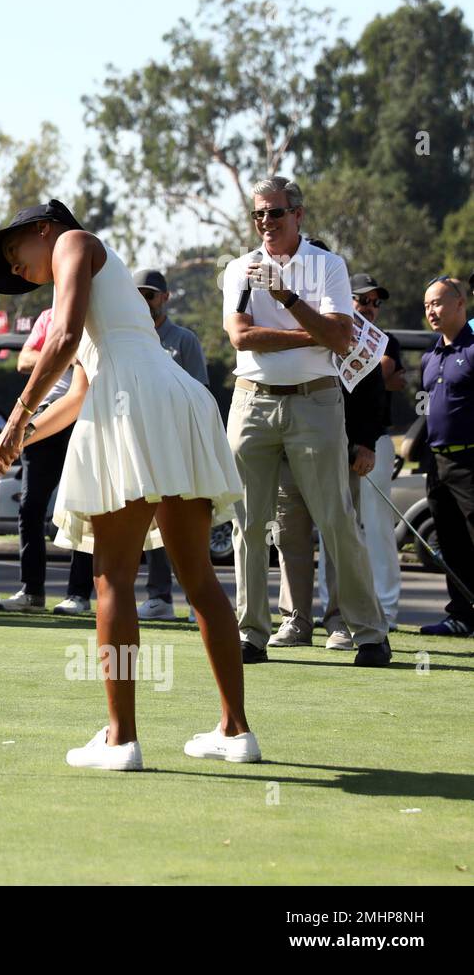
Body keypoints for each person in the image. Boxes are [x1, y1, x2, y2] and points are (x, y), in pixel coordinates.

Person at [0, 200, 255, 770]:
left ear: (44, 230)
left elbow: (63, 338)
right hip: (171, 400)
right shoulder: (95, 287)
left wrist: (11, 420)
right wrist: (17, 441)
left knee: (113, 579)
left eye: (15, 252)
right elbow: (78, 393)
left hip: (139, 404)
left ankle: (120, 739)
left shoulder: (74, 243)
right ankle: (236, 731)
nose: (20, 269)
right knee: (197, 577)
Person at [221, 177, 391, 668]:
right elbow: (239, 337)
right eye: (258, 215)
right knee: (249, 524)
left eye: (275, 213)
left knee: (337, 519)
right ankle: (251, 634)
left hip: (316, 402)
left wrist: (289, 298)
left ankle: (369, 633)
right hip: (251, 401)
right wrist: (307, 332)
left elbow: (341, 338)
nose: (266, 223)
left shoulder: (328, 266)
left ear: (298, 215)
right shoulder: (239, 269)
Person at [133, 268, 211, 622]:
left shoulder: (184, 340)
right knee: (152, 527)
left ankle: (198, 599)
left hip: (179, 444)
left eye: (150, 294)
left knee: (186, 526)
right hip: (142, 443)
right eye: (138, 294)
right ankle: (159, 597)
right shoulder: (129, 338)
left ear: (164, 298)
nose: (144, 301)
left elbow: (199, 392)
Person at [4, 307, 93, 612]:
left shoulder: (95, 314)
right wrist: (65, 357)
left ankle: (78, 595)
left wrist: (55, 356)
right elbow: (24, 360)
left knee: (82, 507)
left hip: (85, 419)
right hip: (43, 419)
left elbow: (92, 364)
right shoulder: (47, 317)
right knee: (30, 506)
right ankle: (31, 591)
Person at [340, 274, 405, 631]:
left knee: (377, 525)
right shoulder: (329, 333)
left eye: (375, 303)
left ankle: (387, 609)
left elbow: (384, 371)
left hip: (374, 442)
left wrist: (383, 373)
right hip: (334, 441)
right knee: (336, 524)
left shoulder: (386, 340)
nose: (369, 308)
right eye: (362, 300)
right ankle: (335, 609)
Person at [418, 276, 474, 637]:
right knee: (451, 544)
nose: (431, 312)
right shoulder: (430, 355)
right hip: (436, 463)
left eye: (437, 303)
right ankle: (461, 615)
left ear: (459, 304)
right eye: (426, 306)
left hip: (470, 462)